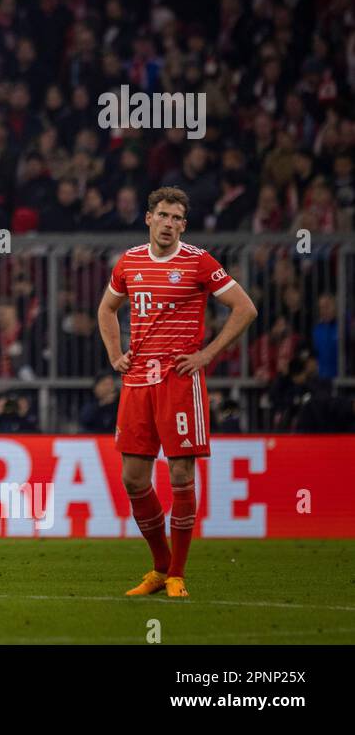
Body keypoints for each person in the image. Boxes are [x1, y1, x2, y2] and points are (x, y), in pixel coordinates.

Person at [97, 187, 256, 599]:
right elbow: (106, 308)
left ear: (183, 225)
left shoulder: (198, 261)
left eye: (176, 218)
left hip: (179, 382)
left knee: (181, 475)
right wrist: (115, 353)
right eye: (163, 215)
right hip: (136, 384)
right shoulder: (129, 262)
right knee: (133, 479)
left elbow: (245, 308)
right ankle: (159, 567)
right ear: (148, 218)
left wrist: (206, 354)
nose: (169, 224)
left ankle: (177, 574)